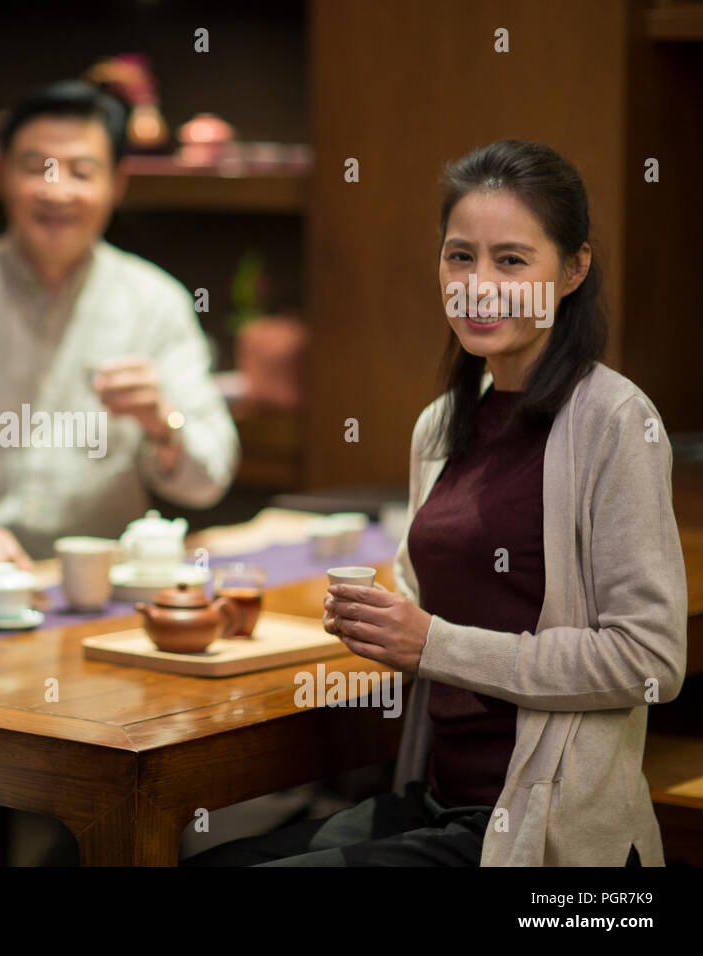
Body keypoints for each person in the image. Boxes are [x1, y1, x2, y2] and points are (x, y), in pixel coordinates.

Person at [185, 139, 687, 867]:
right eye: (460, 257)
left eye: (511, 260)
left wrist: (432, 643)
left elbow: (649, 660)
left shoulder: (614, 422)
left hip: (538, 827)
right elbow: (431, 610)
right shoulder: (441, 424)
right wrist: (374, 627)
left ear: (573, 269)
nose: (478, 285)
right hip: (434, 796)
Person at [0, 79, 240, 574]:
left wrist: (164, 420)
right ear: (2, 174)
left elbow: (209, 480)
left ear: (117, 184)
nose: (57, 191)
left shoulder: (156, 302)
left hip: (103, 588)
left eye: (82, 171)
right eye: (37, 169)